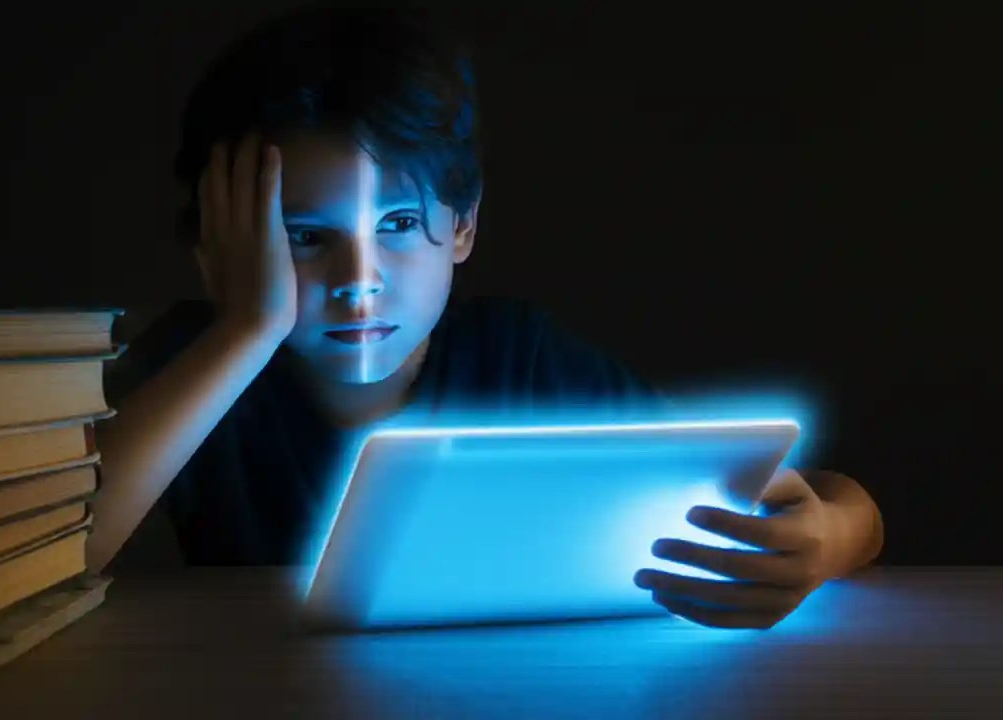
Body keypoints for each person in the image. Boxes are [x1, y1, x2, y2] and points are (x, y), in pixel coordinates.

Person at [89, 5, 883, 630]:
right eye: (304, 237)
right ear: (215, 247)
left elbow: (838, 504)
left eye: (398, 224)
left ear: (462, 227)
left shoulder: (518, 355)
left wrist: (823, 545)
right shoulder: (197, 366)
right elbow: (51, 559)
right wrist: (245, 329)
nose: (357, 282)